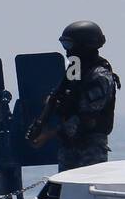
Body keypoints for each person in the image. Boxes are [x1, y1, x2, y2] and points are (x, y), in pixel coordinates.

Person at [29, 21, 118, 171]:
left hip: (90, 149)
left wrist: (50, 134)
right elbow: (61, 93)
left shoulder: (100, 76)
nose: (67, 51)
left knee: (86, 189)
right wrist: (42, 120)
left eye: (69, 45)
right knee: (64, 192)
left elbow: (86, 118)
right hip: (69, 147)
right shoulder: (75, 68)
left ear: (83, 45)